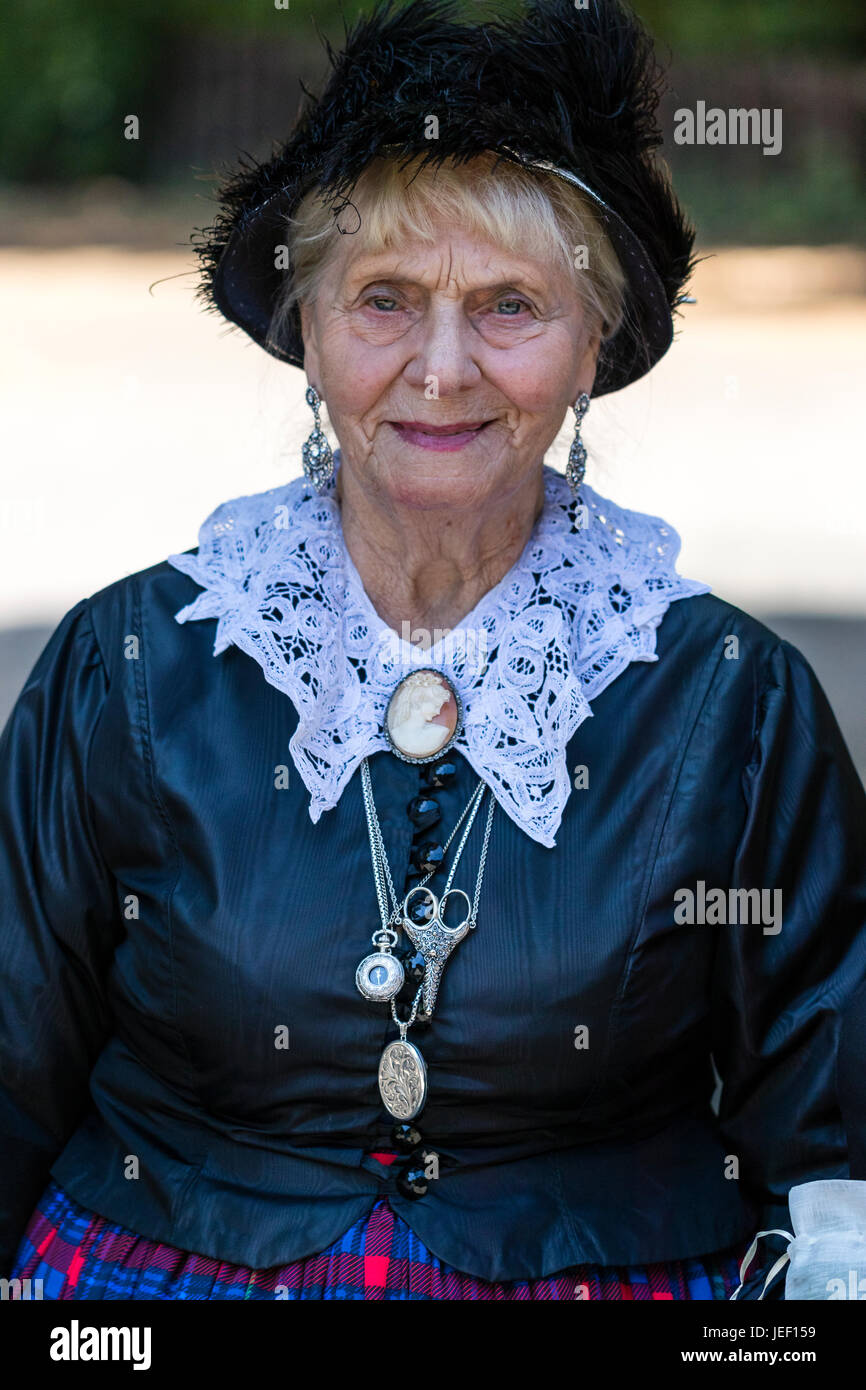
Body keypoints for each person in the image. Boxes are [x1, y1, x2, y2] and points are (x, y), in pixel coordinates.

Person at [2, 0, 865, 1301]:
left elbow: (831, 1150)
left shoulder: (728, 705)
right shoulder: (123, 672)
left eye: (511, 305)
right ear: (309, 334)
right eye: (385, 301)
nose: (443, 369)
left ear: (592, 344)